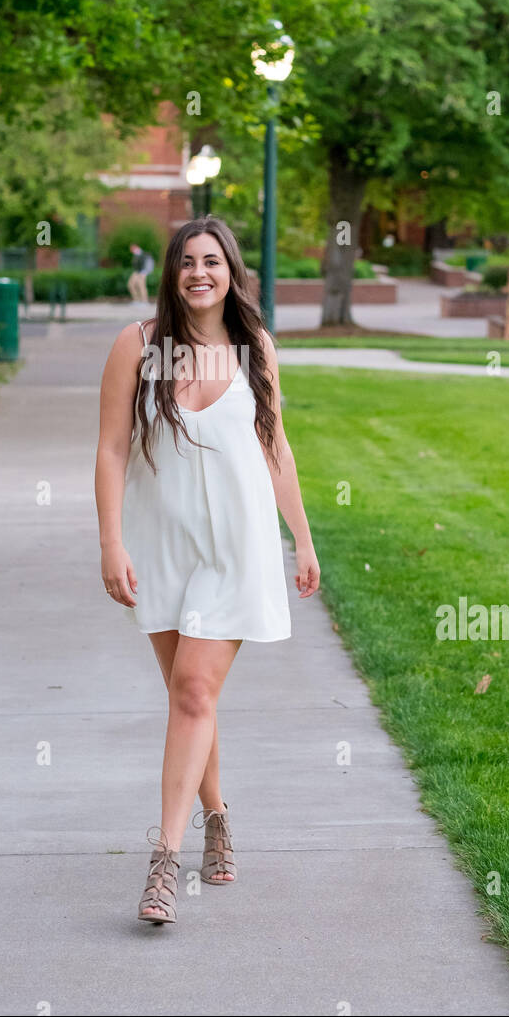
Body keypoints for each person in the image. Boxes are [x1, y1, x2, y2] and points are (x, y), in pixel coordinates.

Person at [94, 216, 320, 927]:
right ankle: (218, 815)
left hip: (236, 548)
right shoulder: (139, 346)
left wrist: (302, 541)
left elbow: (275, 449)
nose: (199, 272)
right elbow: (108, 451)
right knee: (192, 700)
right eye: (188, 261)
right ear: (172, 270)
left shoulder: (255, 348)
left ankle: (163, 861)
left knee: (193, 688)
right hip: (163, 547)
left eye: (213, 261)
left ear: (232, 272)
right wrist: (109, 541)